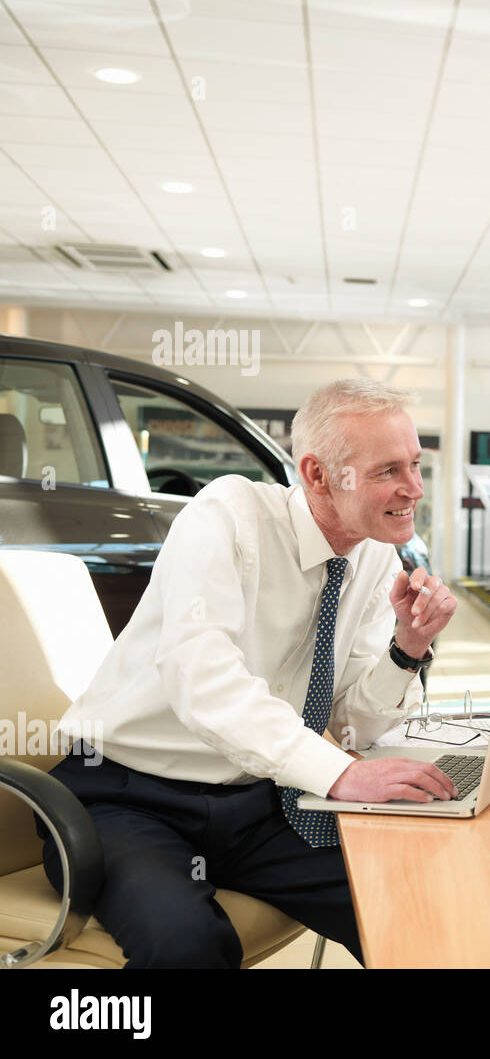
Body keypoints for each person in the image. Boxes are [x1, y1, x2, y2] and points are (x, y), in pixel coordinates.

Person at [40, 379, 459, 967]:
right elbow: (203, 681)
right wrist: (338, 774)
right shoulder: (227, 517)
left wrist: (408, 648)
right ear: (316, 475)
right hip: (128, 797)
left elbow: (356, 723)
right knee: (186, 944)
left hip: (257, 802)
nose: (413, 488)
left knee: (417, 896)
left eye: (415, 465)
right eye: (388, 470)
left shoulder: (373, 557)